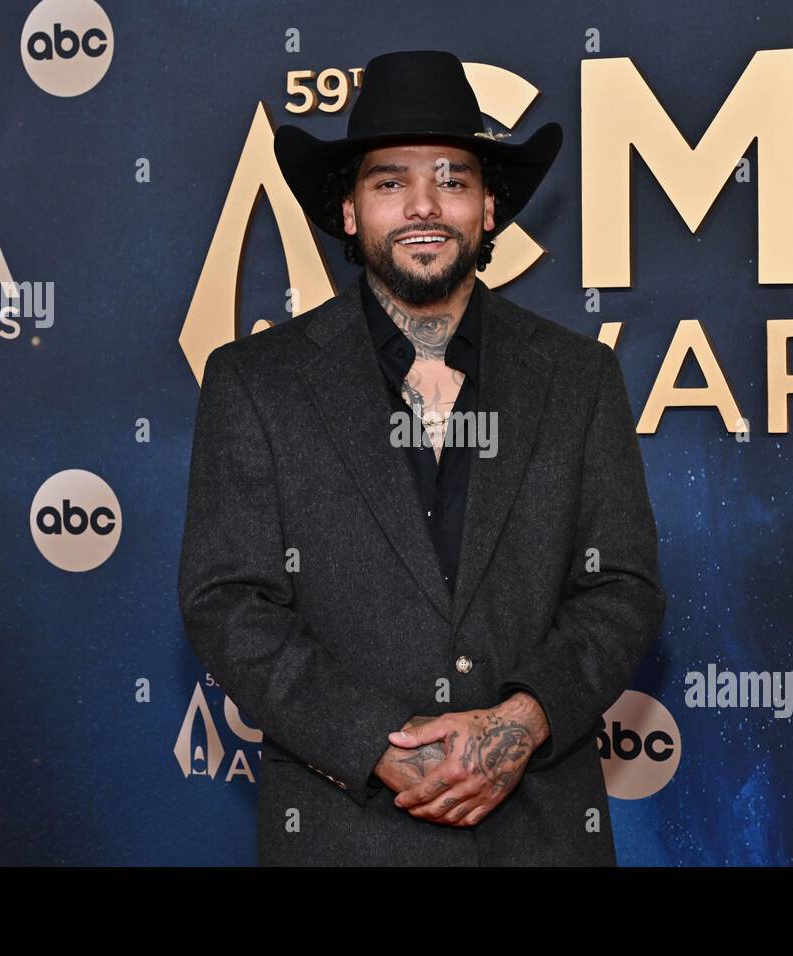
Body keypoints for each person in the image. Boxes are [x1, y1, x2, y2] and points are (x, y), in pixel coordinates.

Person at [177, 49, 666, 866]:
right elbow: (229, 602)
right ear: (347, 210)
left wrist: (521, 723)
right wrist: (374, 742)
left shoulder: (579, 376)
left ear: (489, 208)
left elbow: (622, 587)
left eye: (453, 177)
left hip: (540, 837)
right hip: (343, 833)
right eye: (389, 182)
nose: (424, 206)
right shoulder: (255, 382)